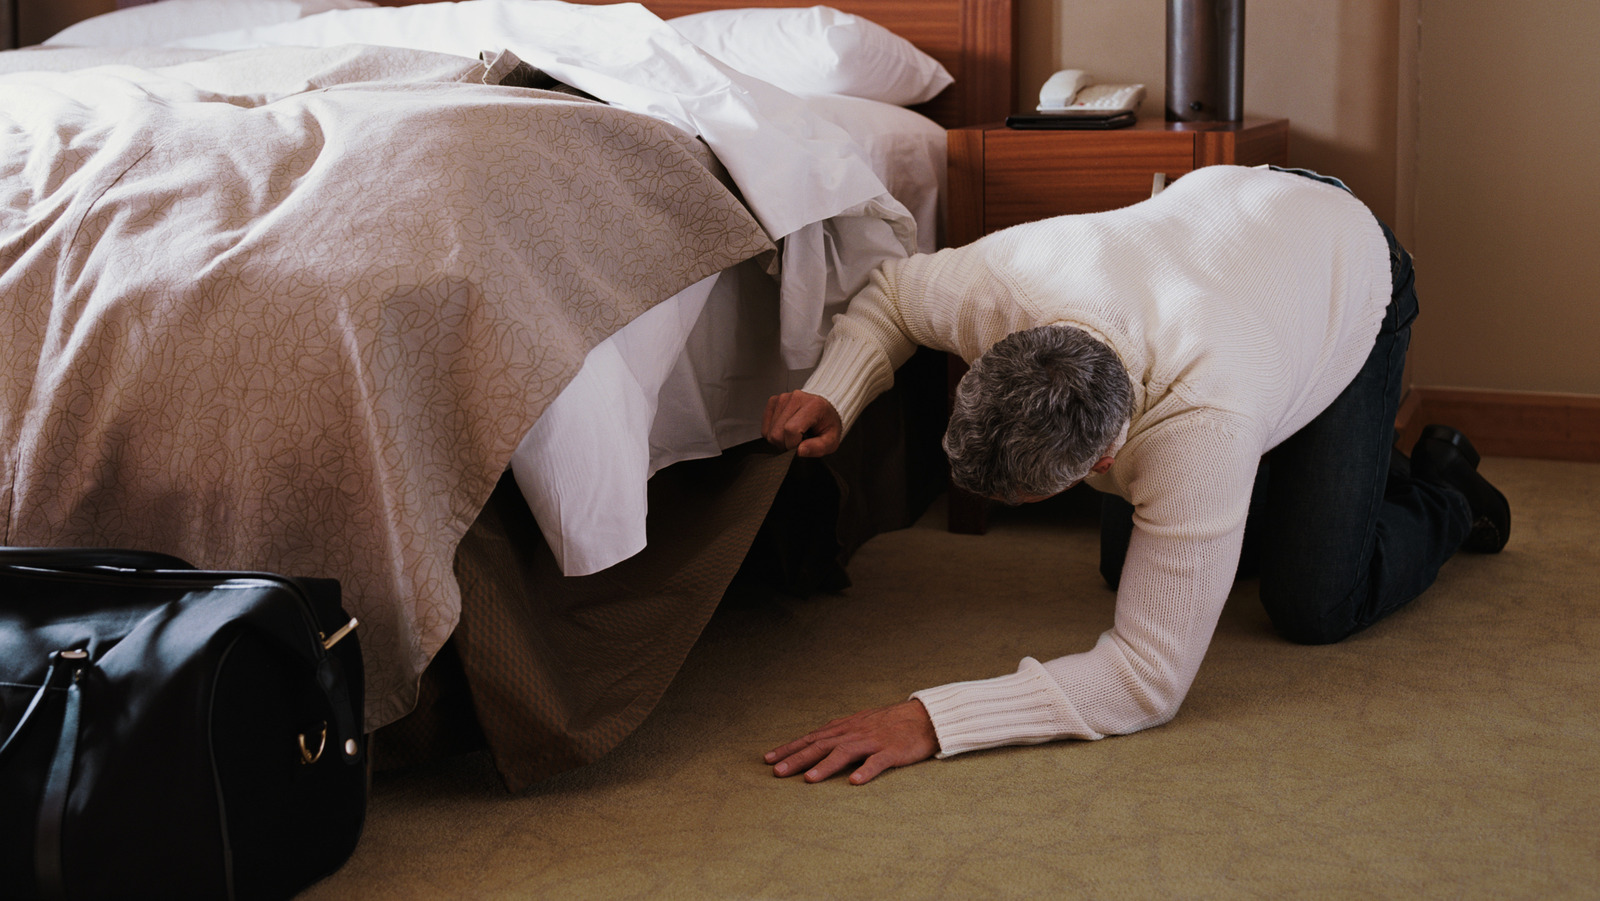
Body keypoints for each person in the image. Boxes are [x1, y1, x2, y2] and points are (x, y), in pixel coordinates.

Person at [759, 165, 1510, 786]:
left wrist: (930, 718)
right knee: (1132, 569)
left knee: (1313, 602)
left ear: (1104, 460)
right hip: (1231, 239)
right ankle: (1338, 470)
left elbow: (1147, 679)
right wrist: (837, 385)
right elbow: (892, 290)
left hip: (1346, 265)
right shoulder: (1004, 282)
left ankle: (1443, 488)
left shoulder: (1204, 423)